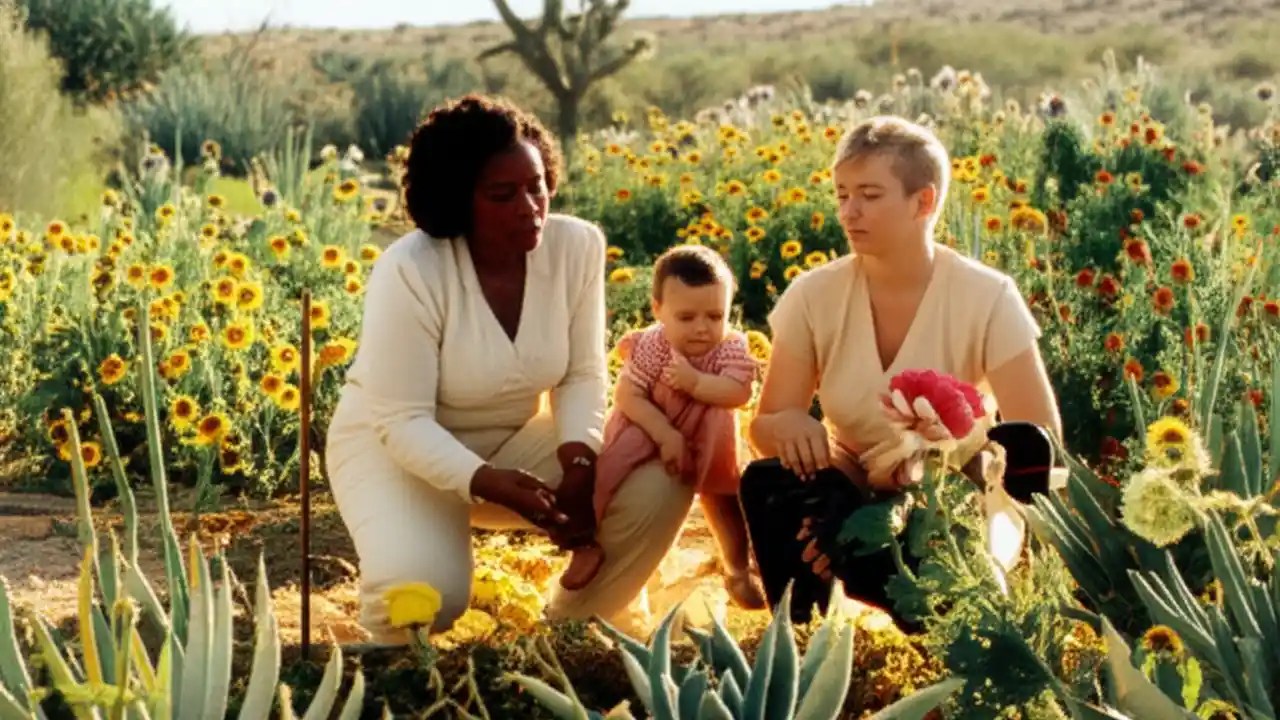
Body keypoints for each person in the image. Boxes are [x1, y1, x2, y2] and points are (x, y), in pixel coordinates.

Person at [323, 94, 694, 643]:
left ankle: (573, 627)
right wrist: (488, 482)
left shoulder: (576, 247)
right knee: (424, 600)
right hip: (392, 450)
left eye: (537, 184)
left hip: (514, 446)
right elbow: (401, 420)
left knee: (658, 473)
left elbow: (582, 374)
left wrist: (577, 457)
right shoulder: (411, 269)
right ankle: (386, 669)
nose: (530, 206)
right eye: (503, 194)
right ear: (457, 199)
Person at [740, 115, 1062, 626]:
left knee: (940, 589)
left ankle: (918, 610)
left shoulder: (988, 296)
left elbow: (1040, 439)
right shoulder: (813, 295)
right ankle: (802, 639)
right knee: (771, 484)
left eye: (869, 194)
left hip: (954, 494)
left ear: (924, 202)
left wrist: (965, 486)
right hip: (850, 481)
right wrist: (788, 424)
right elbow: (766, 426)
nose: (850, 211)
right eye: (842, 194)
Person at [559, 245, 768, 610]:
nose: (703, 328)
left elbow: (738, 392)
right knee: (606, 471)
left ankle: (738, 568)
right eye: (686, 317)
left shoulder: (730, 347)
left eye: (715, 316)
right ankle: (583, 542)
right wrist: (665, 434)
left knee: (725, 497)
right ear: (658, 311)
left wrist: (696, 384)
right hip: (648, 424)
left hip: (706, 436)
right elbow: (628, 395)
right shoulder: (652, 345)